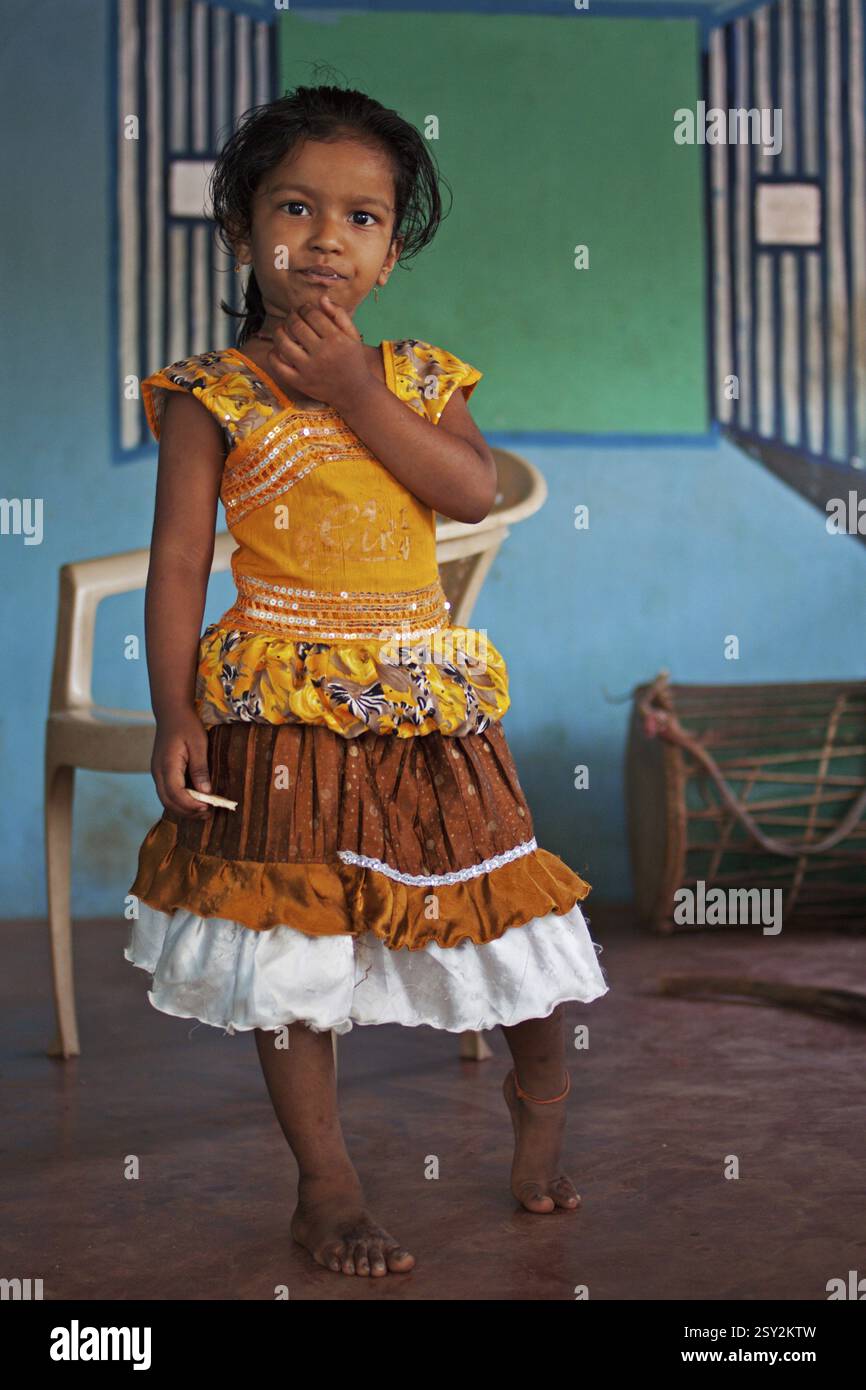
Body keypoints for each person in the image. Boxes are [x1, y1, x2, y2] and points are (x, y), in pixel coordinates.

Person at [126, 83, 608, 1279]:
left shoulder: (417, 374)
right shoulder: (210, 397)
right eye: (295, 208)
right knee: (291, 938)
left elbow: (465, 491)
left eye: (361, 216)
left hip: (420, 701)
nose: (326, 237)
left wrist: (355, 391)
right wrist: (172, 711)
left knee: (507, 910)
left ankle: (537, 1088)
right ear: (243, 230)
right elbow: (180, 560)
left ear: (391, 254)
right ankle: (326, 1185)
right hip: (274, 706)